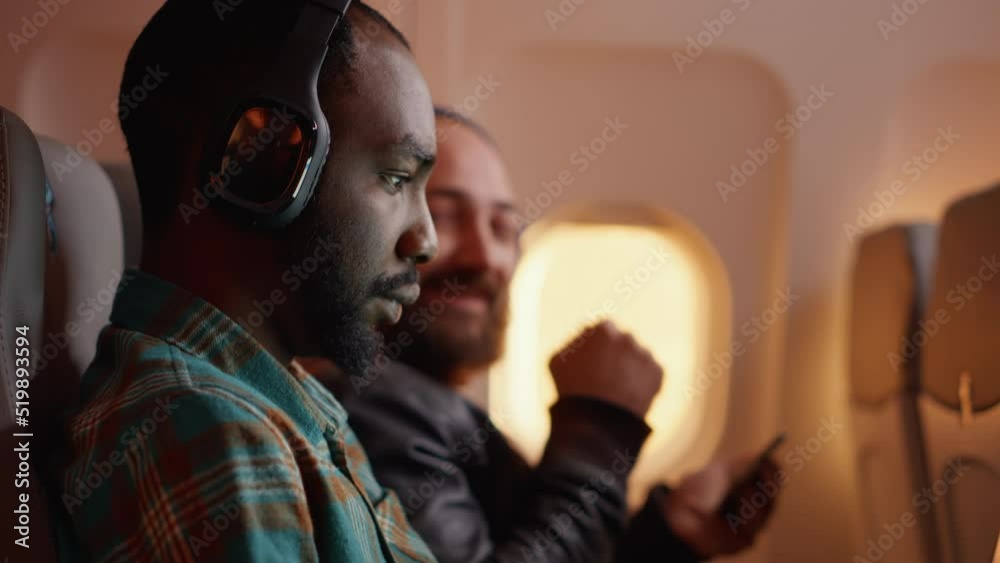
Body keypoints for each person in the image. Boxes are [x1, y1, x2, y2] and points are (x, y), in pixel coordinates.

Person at [43, 1, 442, 561]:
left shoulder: (291, 406)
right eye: (396, 177)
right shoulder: (208, 428)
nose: (426, 241)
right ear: (261, 163)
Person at [298, 107, 780, 562]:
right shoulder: (368, 402)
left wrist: (670, 535)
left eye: (503, 227)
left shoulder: (422, 403)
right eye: (444, 216)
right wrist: (599, 428)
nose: (485, 257)